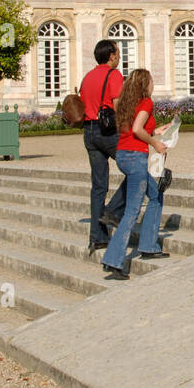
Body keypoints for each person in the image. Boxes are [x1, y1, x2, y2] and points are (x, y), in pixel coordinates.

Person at [100, 68, 170, 281]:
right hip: (136, 158)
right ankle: (113, 260)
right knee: (131, 211)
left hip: (123, 155)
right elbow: (138, 130)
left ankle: (149, 246)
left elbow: (133, 128)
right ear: (145, 84)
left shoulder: (126, 102)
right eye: (151, 81)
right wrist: (155, 143)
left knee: (156, 195)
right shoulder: (147, 102)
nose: (153, 84)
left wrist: (156, 131)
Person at [79, 40, 128, 255]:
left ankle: (97, 237)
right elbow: (118, 106)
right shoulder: (114, 75)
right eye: (117, 53)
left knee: (98, 186)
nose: (119, 56)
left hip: (89, 132)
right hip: (108, 132)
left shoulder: (87, 77)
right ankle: (113, 211)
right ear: (110, 55)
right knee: (137, 170)